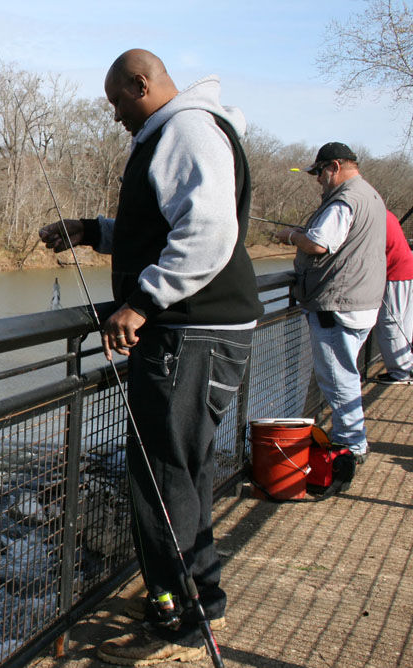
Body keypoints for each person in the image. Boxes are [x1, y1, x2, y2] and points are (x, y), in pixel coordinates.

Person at [39, 49, 262, 665]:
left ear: (142, 83)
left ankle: (185, 612)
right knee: (183, 468)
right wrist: (94, 230)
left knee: (163, 475)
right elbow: (161, 226)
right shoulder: (182, 129)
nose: (115, 116)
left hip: (187, 334)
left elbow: (208, 232)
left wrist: (140, 303)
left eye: (118, 102)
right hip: (197, 333)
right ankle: (198, 597)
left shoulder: (187, 129)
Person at [274, 142, 386, 462]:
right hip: (360, 301)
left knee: (338, 379)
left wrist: (293, 236)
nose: (317, 179)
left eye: (320, 172)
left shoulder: (345, 199)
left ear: (334, 167)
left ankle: (350, 447)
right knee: (344, 375)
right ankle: (348, 440)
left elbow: (319, 244)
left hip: (338, 305)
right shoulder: (370, 195)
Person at [372, 209, 413, 384]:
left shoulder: (372, 216)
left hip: (395, 273)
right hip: (406, 269)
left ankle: (400, 372)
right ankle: (407, 366)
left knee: (390, 322)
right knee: (404, 322)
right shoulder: (385, 214)